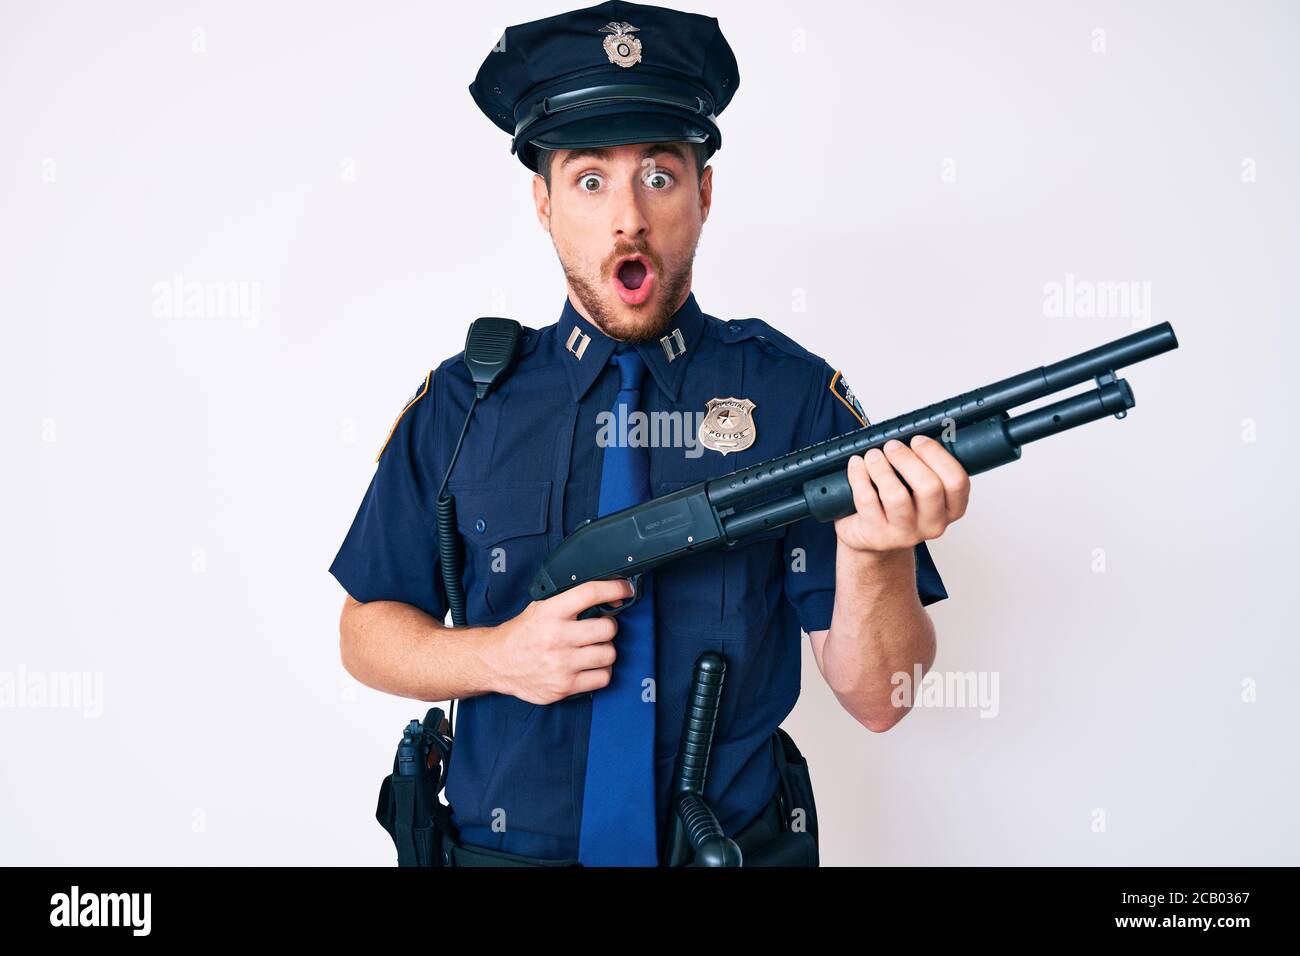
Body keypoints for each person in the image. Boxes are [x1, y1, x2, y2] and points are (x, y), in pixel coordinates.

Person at [329, 0, 971, 867]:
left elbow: (879, 699)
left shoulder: (789, 397)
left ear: (704, 193)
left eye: (660, 176)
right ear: (544, 203)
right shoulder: (463, 401)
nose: (628, 216)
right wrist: (499, 657)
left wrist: (874, 553)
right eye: (590, 180)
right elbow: (364, 631)